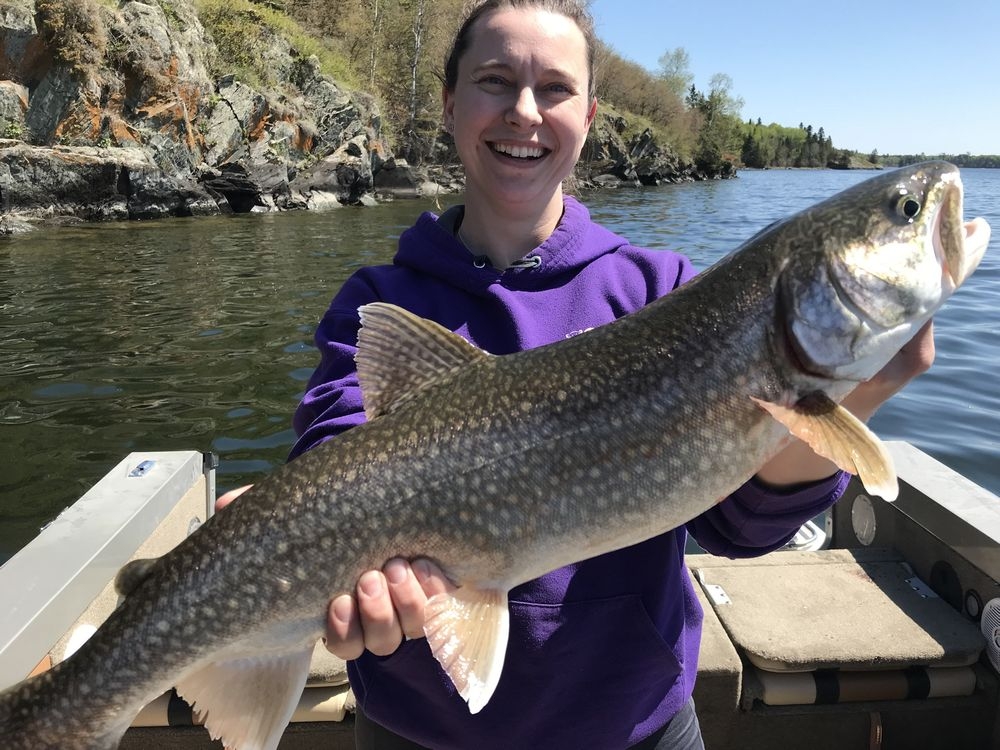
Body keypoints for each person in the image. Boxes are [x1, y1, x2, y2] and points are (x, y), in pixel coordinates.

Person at [219, 1, 935, 747]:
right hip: (416, 730)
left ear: (589, 115)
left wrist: (862, 386)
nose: (524, 112)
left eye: (554, 89)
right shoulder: (378, 301)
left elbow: (741, 525)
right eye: (495, 81)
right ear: (450, 102)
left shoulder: (665, 297)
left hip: (637, 726)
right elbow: (335, 451)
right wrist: (289, 535)